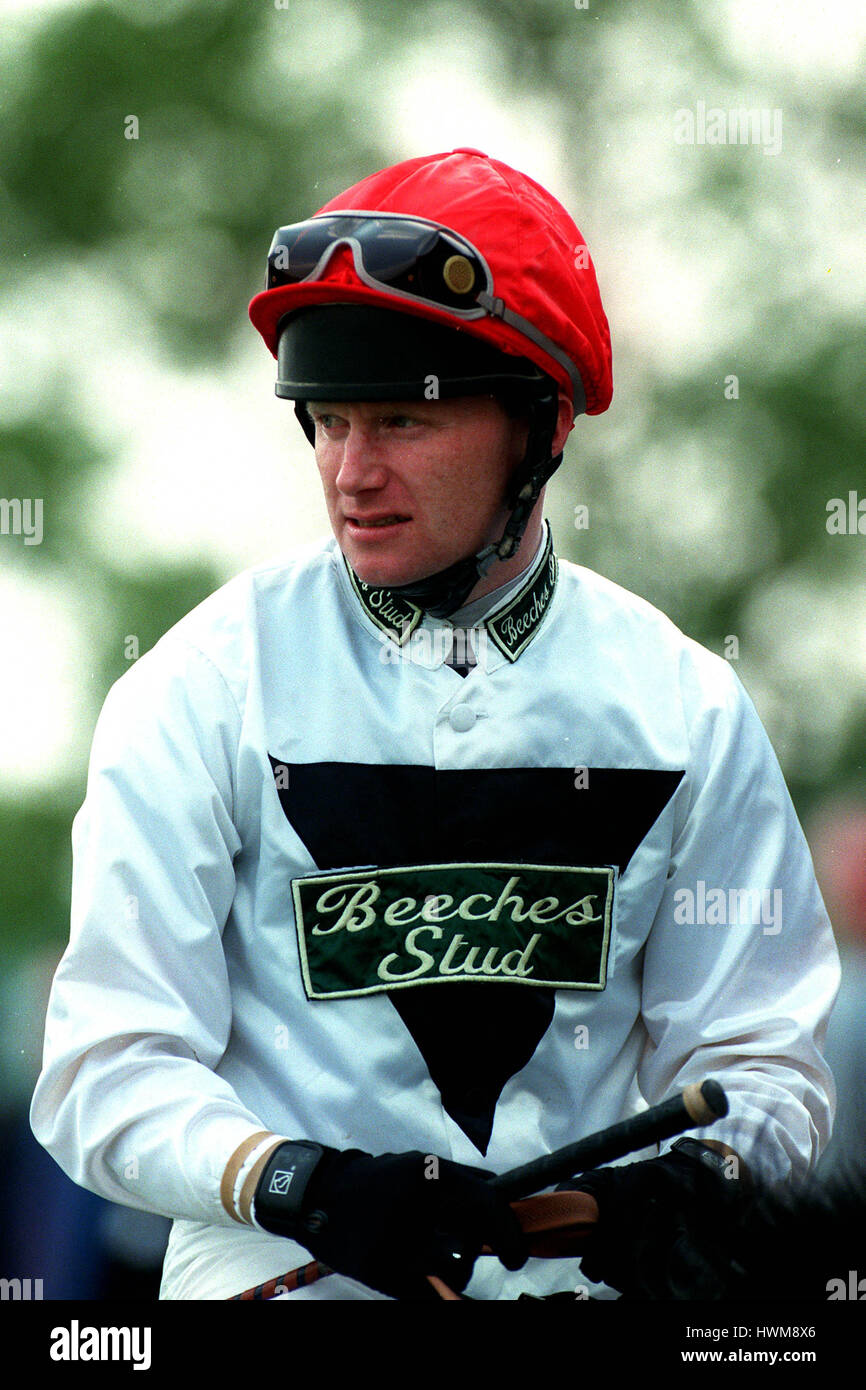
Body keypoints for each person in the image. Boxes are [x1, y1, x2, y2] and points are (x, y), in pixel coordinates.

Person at [30, 147, 839, 1301]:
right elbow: (102, 1067)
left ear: (538, 425)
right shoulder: (196, 689)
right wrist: (298, 1180)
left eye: (402, 425)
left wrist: (693, 1179)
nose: (350, 472)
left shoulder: (685, 706)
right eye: (326, 422)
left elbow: (761, 1058)